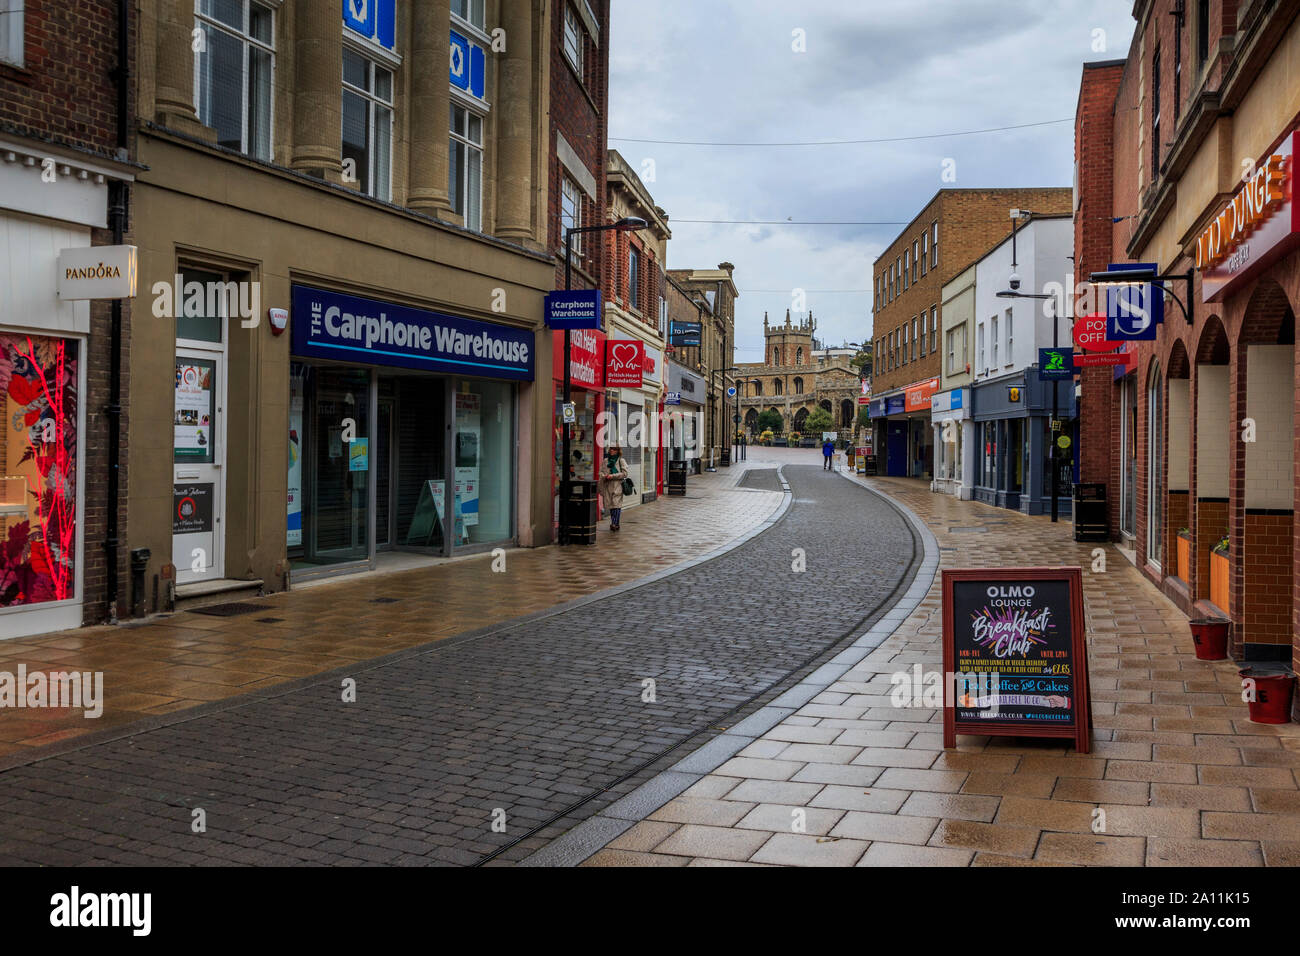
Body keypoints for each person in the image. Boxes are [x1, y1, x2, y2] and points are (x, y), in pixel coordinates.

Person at [599, 443, 630, 532]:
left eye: (614, 449)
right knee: (611, 506)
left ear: (617, 451)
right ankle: (615, 523)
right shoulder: (605, 461)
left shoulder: (621, 460)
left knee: (616, 505)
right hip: (607, 486)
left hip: (617, 486)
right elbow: (600, 472)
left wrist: (612, 476)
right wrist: (603, 475)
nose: (611, 450)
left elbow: (625, 474)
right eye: (611, 449)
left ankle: (614, 524)